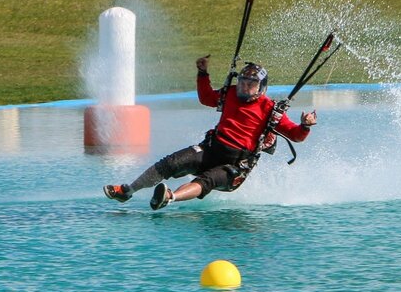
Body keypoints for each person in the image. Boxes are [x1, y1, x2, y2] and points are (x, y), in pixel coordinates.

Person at [103, 56, 317, 210]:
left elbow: (295, 135)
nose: (244, 87)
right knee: (170, 163)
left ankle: (170, 197)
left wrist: (305, 125)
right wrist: (202, 73)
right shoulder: (230, 93)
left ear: (261, 87)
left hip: (235, 165)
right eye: (242, 82)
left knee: (207, 181)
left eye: (250, 85)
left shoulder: (270, 109)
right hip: (211, 148)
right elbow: (206, 98)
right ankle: (127, 190)